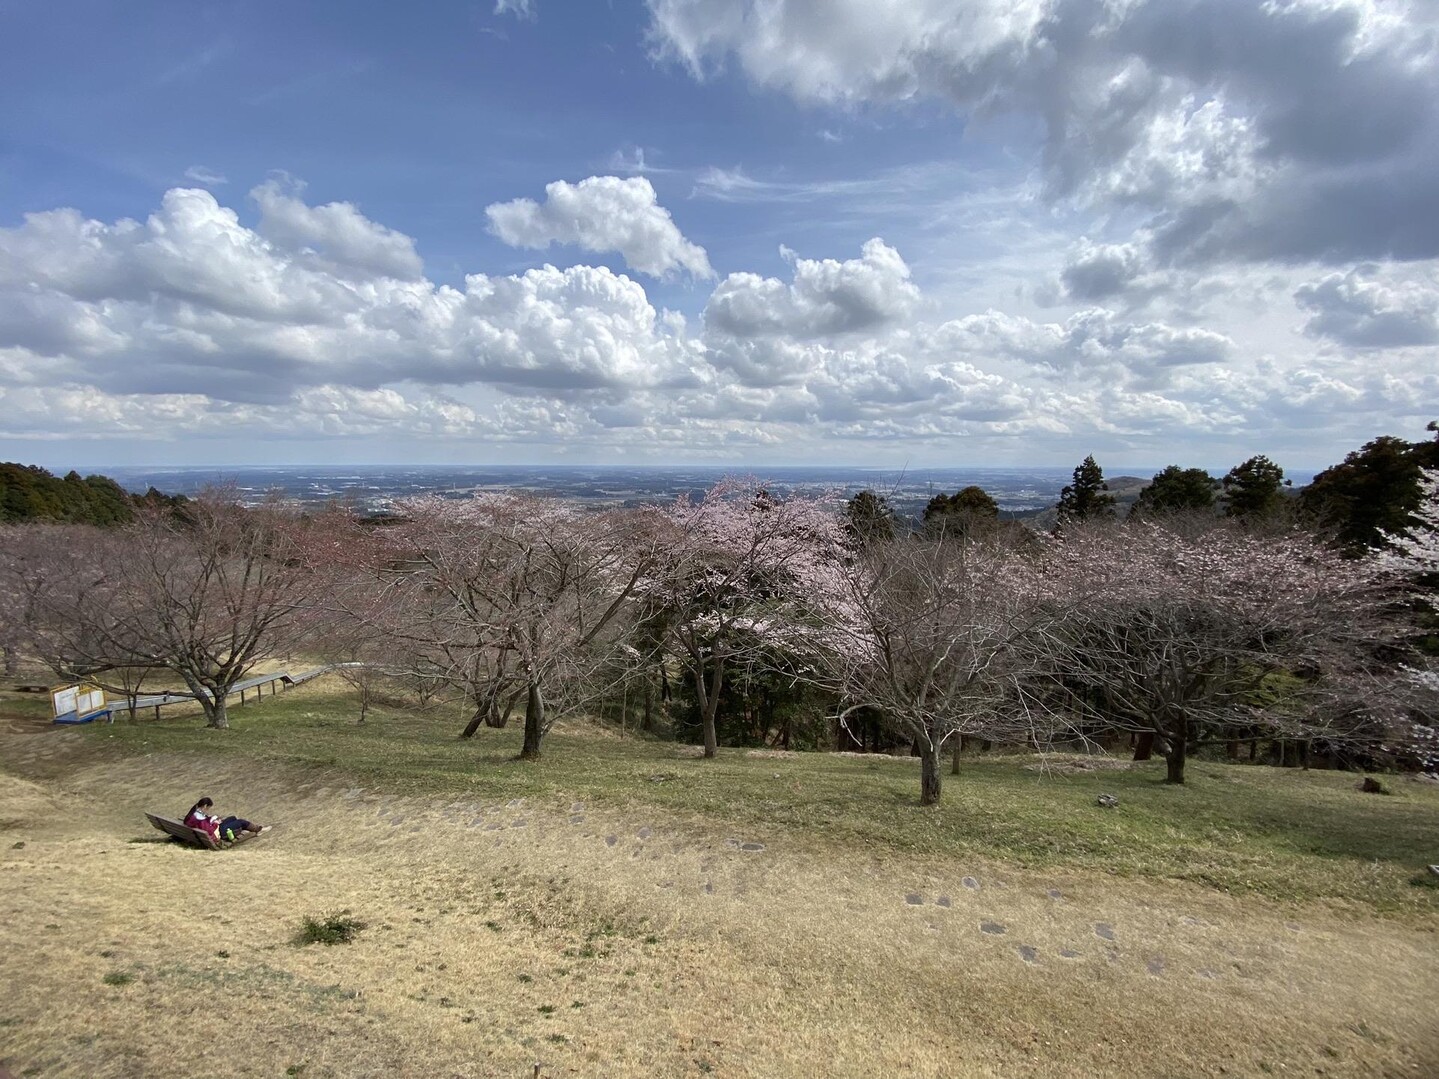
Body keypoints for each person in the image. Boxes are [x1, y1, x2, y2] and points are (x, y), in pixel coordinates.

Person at [183, 797, 264, 843]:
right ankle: (257, 829)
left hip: (209, 831)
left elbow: (203, 824)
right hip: (218, 833)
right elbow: (209, 830)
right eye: (208, 808)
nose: (207, 810)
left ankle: (252, 828)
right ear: (205, 806)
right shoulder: (199, 817)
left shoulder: (193, 814)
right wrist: (215, 823)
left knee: (233, 818)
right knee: (241, 822)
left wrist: (212, 819)